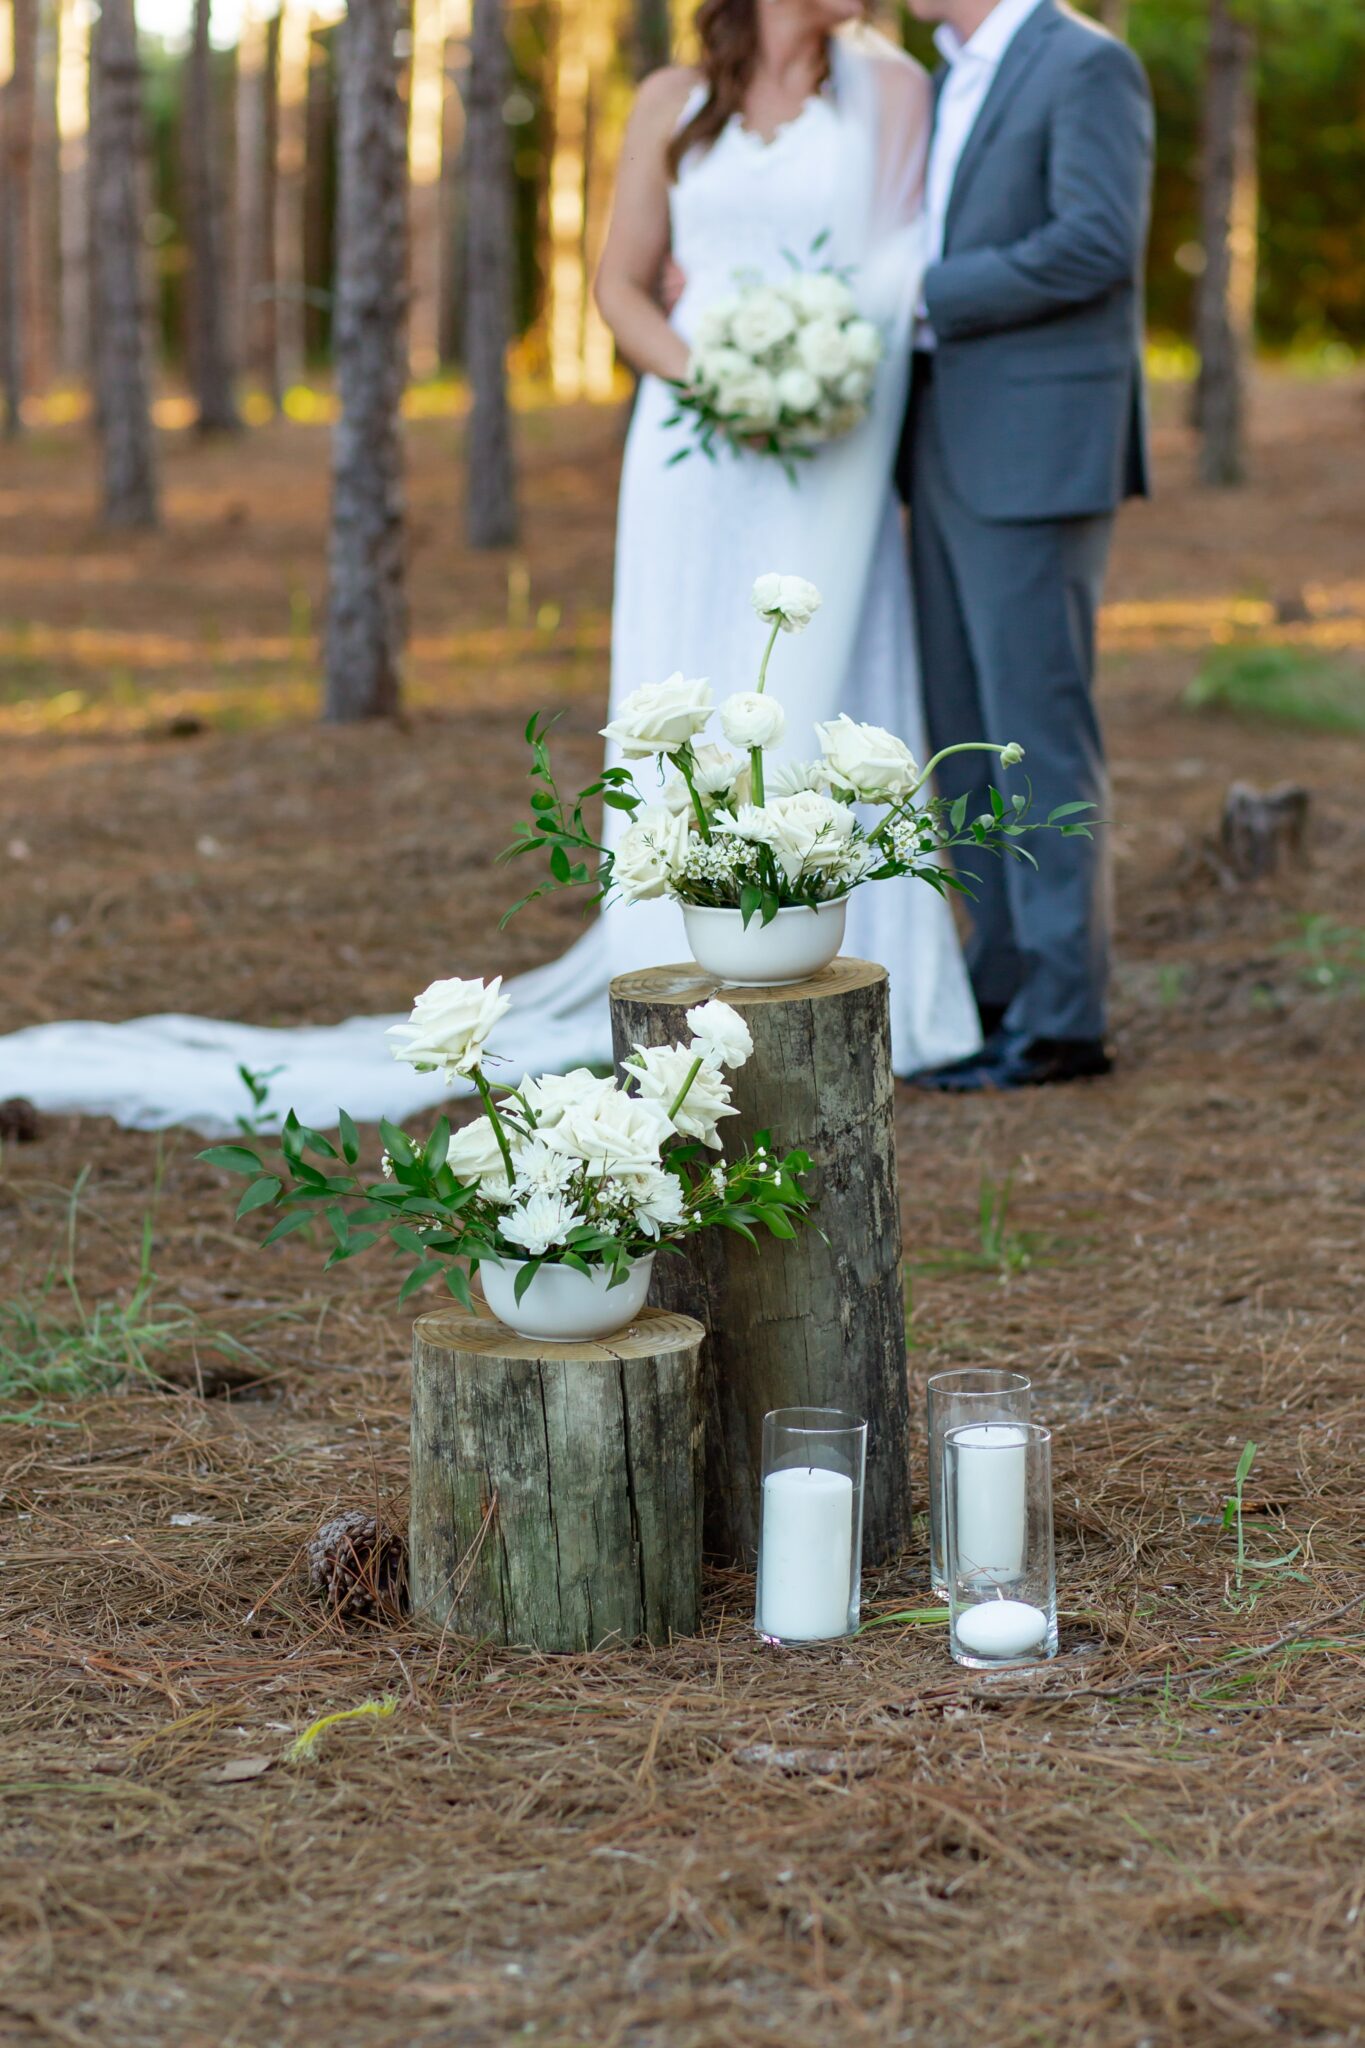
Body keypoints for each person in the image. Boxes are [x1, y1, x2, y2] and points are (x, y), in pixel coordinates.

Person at [497, 0, 981, 1085]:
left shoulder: (893, 86)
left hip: (834, 438)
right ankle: (678, 975)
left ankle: (840, 973)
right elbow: (621, 283)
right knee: (689, 687)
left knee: (824, 681)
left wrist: (815, 381)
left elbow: (901, 269)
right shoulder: (673, 103)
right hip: (690, 444)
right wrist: (709, 376)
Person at [900, 0, 1154, 1091]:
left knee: (1036, 738)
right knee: (964, 733)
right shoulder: (946, 73)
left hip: (1040, 446)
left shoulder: (1086, 65)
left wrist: (925, 294)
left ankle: (1062, 1020)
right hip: (944, 438)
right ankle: (997, 986)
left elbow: (1098, 239)